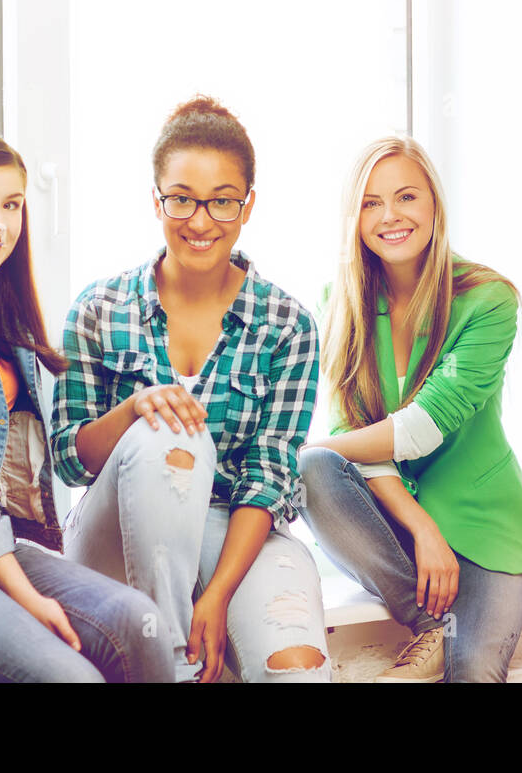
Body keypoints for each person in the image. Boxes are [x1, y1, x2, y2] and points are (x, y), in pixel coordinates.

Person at [50, 95, 330, 683]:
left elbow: (269, 474)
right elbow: (69, 462)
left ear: (247, 206)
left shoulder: (288, 325)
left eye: (222, 202)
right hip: (115, 537)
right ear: (156, 200)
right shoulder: (100, 309)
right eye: (181, 198)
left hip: (234, 529)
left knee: (296, 669)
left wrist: (219, 593)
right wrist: (132, 411)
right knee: (166, 438)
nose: (200, 222)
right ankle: (170, 666)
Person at [0, 130, 172, 682]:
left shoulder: (2, 318)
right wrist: (25, 596)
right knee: (72, 676)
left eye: (12, 204)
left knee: (138, 623)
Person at [298, 136, 522, 683]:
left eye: (406, 197)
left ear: (434, 204)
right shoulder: (338, 304)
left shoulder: (488, 299)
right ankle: (428, 624)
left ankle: (444, 634)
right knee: (311, 472)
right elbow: (357, 434)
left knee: (475, 672)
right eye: (370, 203)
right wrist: (420, 529)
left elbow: (418, 429)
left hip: (485, 528)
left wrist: (314, 443)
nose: (390, 216)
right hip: (395, 531)